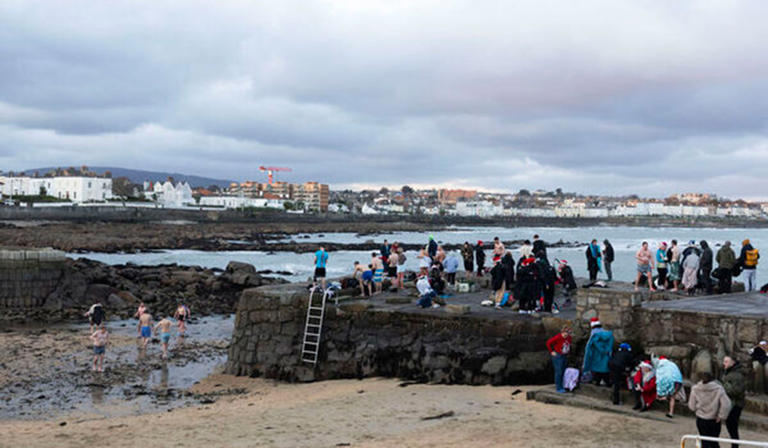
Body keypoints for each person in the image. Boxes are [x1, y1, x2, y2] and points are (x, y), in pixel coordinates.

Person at [688, 371, 732, 448]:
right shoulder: (718, 389)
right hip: (714, 419)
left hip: (701, 418)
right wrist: (721, 415)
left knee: (704, 441)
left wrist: (695, 409)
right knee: (714, 442)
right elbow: (726, 404)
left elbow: (691, 405)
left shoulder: (695, 389)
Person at [722, 356, 746, 448]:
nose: (724, 363)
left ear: (732, 363)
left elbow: (737, 391)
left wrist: (724, 387)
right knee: (731, 426)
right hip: (731, 403)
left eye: (726, 362)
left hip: (735, 404)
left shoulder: (737, 375)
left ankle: (735, 445)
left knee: (732, 426)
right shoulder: (729, 373)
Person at [546, 326, 572, 393]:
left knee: (563, 371)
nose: (566, 334)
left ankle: (562, 385)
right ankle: (558, 387)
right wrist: (551, 351)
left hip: (564, 355)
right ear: (562, 332)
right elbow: (548, 342)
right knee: (559, 371)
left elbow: (569, 345)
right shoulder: (558, 337)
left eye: (568, 333)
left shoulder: (569, 338)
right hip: (558, 355)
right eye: (565, 332)